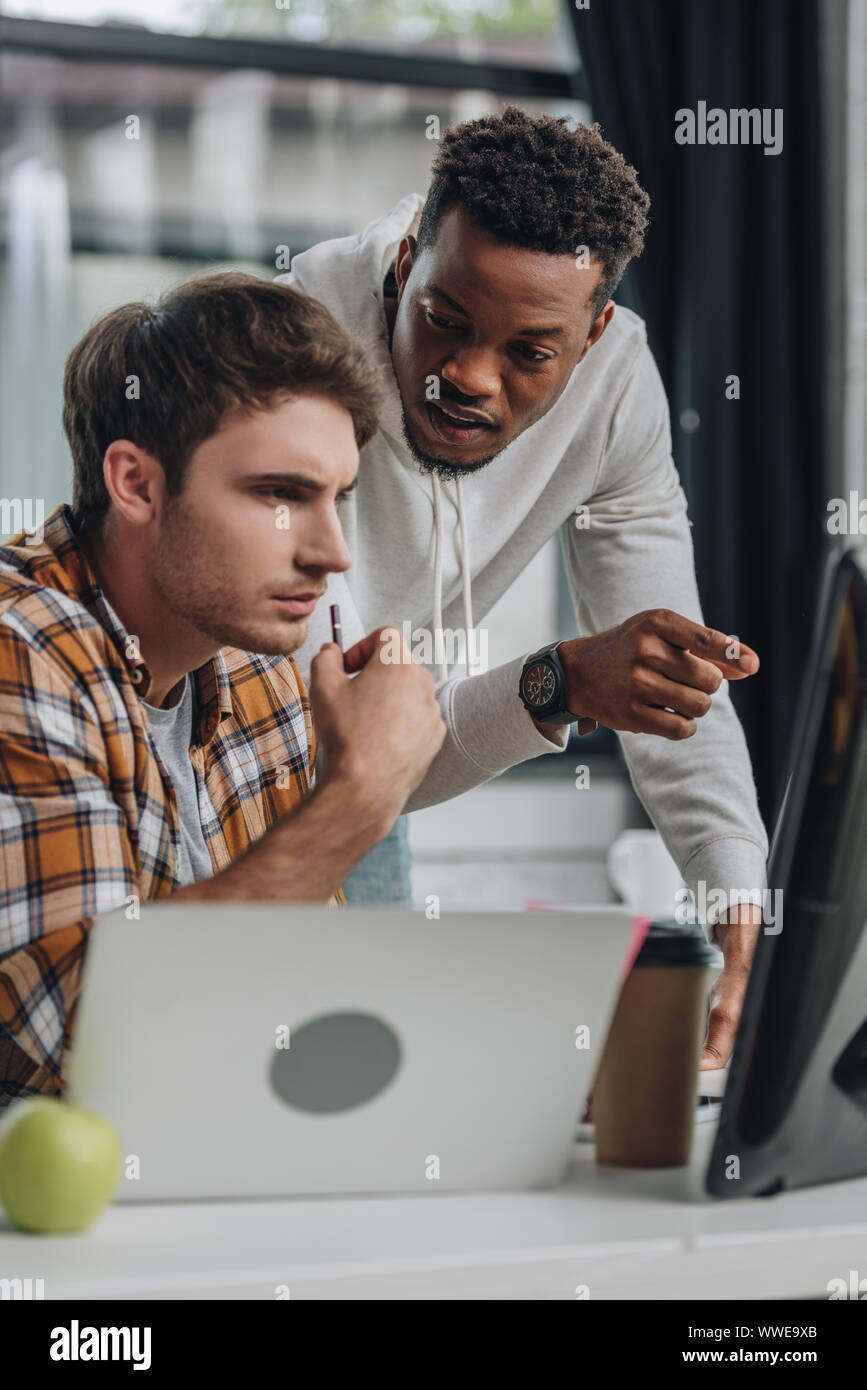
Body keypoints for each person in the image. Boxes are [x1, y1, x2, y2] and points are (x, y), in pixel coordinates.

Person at [278, 107, 769, 1069]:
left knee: (363, 1102)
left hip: (376, 777)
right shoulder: (295, 343)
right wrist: (557, 684)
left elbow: (672, 666)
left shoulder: (615, 391)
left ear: (592, 337)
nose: (468, 376)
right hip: (235, 762)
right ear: (406, 261)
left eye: (528, 352)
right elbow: (320, 743)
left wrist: (736, 896)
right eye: (443, 321)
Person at [0, 273, 445, 1105]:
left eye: (337, 499)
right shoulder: (20, 647)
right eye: (281, 495)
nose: (333, 551)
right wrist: (362, 793)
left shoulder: (255, 667)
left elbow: (295, 1003)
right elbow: (105, 1042)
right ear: (137, 483)